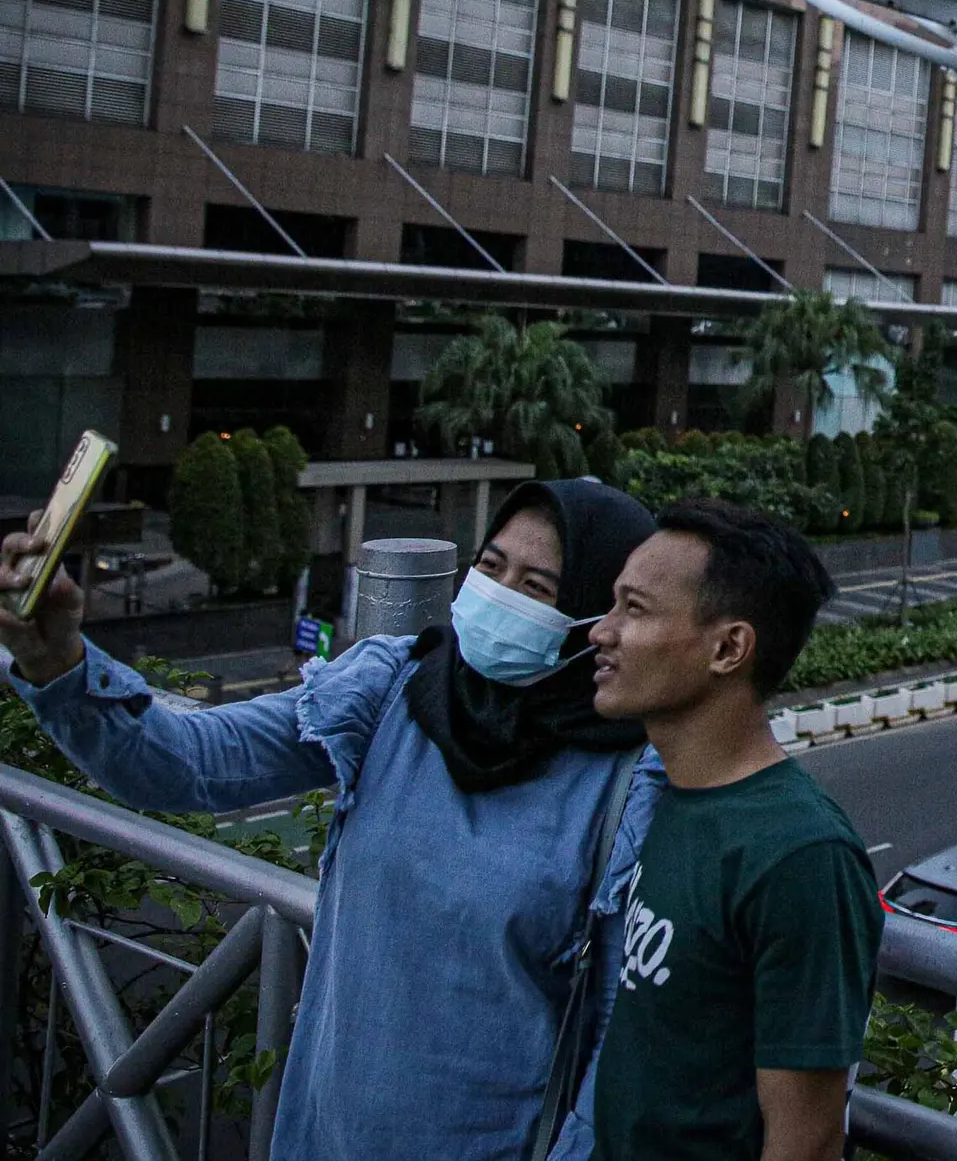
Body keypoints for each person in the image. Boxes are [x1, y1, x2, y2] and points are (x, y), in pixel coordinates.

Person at [0, 480, 665, 1161]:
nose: (499, 597)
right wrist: (58, 662)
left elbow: (618, 1042)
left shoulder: (628, 782)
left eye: (538, 587)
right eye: (490, 567)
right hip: (323, 1133)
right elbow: (183, 764)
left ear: (600, 618)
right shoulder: (392, 687)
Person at [587, 500, 880, 1161]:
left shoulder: (799, 855)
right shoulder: (673, 797)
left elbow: (806, 1141)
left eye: (634, 609)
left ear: (729, 648)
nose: (600, 633)